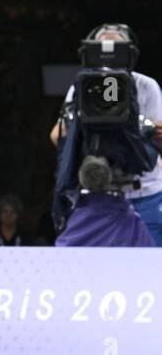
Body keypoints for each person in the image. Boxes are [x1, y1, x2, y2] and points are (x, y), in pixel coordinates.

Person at [49, 23, 162, 246]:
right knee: (84, 266)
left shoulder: (146, 86)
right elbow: (57, 136)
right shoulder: (81, 85)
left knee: (152, 271)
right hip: (98, 192)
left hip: (146, 193)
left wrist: (136, 137)